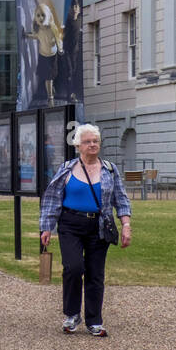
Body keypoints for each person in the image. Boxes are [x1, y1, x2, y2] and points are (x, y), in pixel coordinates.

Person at [40, 123, 133, 337]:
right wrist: (46, 227)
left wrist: (126, 225)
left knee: (95, 273)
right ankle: (72, 314)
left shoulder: (109, 169)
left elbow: (121, 198)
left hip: (99, 225)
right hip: (70, 224)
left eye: (95, 141)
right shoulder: (67, 168)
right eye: (87, 142)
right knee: (73, 268)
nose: (92, 145)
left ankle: (94, 321)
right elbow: (52, 198)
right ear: (78, 145)